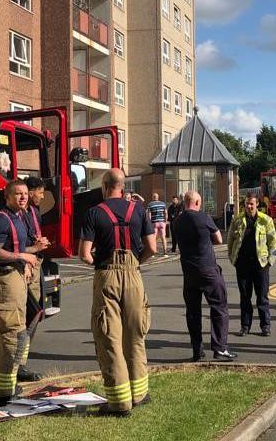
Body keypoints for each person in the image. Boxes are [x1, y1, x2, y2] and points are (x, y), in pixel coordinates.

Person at [79, 169, 157, 416]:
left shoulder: (94, 213)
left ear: (104, 186)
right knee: (135, 334)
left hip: (107, 275)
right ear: (122, 187)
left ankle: (119, 403)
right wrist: (134, 264)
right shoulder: (139, 210)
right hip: (134, 275)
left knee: (109, 338)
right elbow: (152, 247)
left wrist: (102, 265)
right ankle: (140, 394)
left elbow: (84, 254)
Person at [0, 180, 39, 406]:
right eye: (18, 194)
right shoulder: (1, 218)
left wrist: (29, 255)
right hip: (5, 280)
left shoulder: (18, 217)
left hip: (15, 276)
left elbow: (16, 248)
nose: (23, 197)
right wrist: (22, 257)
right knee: (13, 336)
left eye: (25, 193)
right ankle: (3, 393)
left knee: (5, 335)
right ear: (7, 197)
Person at [174, 191, 237, 362]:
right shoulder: (203, 217)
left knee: (193, 312)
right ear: (197, 202)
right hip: (207, 268)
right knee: (219, 307)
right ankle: (220, 348)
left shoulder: (178, 221)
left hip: (189, 271)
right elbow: (218, 239)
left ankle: (197, 349)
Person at [226, 193, 276, 337]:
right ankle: (245, 326)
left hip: (261, 264)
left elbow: (274, 243)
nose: (249, 207)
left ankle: (265, 326)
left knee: (262, 297)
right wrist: (232, 258)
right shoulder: (237, 220)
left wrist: (270, 261)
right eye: (247, 204)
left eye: (252, 204)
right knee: (244, 297)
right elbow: (230, 240)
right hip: (242, 264)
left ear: (257, 205)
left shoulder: (266, 220)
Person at [18, 176, 52, 382]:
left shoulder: (34, 212)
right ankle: (19, 365)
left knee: (34, 314)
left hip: (35, 265)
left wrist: (39, 243)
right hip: (26, 267)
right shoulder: (18, 215)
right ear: (30, 192)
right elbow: (15, 246)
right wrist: (33, 250)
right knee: (26, 315)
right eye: (40, 192)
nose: (42, 196)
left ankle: (22, 361)